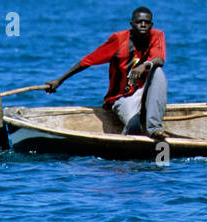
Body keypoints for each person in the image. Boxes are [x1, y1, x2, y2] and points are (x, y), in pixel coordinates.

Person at [46, 7, 168, 140]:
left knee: (158, 72)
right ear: (132, 24)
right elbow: (88, 61)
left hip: (144, 92)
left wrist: (145, 66)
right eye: (139, 22)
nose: (143, 25)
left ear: (151, 25)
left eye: (147, 22)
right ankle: (129, 141)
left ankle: (154, 129)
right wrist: (60, 80)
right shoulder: (119, 40)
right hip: (123, 97)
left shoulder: (157, 35)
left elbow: (159, 59)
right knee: (134, 126)